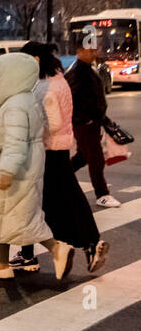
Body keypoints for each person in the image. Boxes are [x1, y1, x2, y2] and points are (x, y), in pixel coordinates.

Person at [0, 51, 75, 280]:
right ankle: (2, 264)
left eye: (0, 74)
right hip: (27, 168)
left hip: (15, 171)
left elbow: (16, 143)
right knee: (10, 217)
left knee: (16, 218)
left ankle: (57, 249)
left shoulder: (15, 105)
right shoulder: (26, 100)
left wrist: (7, 170)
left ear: (12, 76)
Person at [15, 42, 108, 273]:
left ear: (35, 60)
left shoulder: (46, 86)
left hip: (49, 149)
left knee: (43, 202)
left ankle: (75, 245)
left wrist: (29, 127)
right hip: (59, 147)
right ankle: (79, 244)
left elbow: (53, 122)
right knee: (63, 199)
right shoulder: (58, 80)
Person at [66, 33, 119, 207]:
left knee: (83, 155)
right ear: (80, 50)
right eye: (90, 50)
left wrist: (104, 119)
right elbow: (72, 100)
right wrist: (84, 119)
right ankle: (102, 193)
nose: (94, 52)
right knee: (95, 157)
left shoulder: (87, 69)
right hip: (85, 123)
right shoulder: (78, 72)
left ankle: (58, 175)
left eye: (95, 49)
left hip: (92, 121)